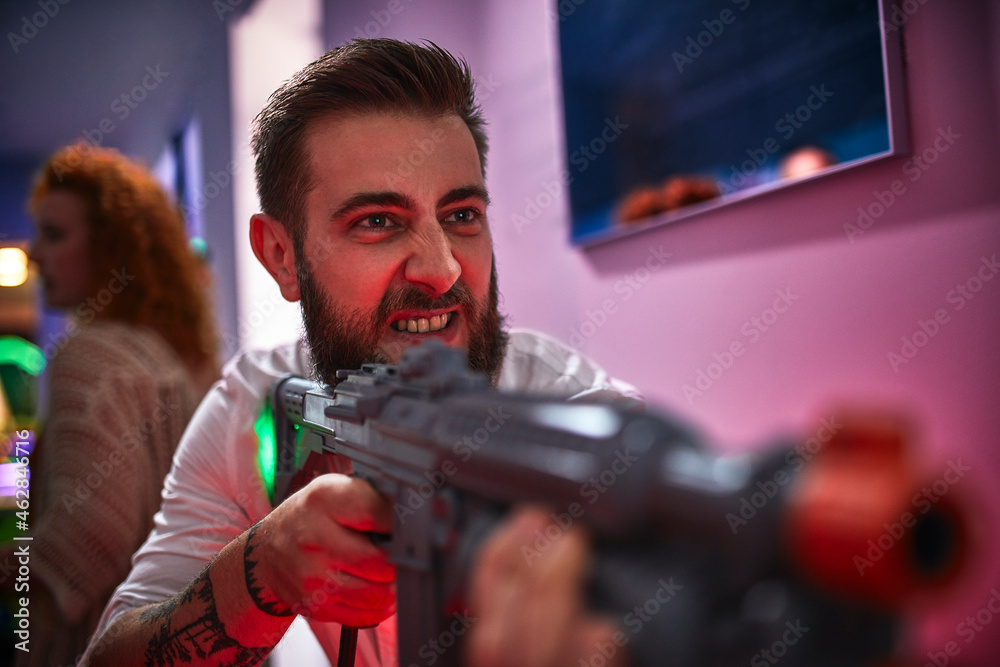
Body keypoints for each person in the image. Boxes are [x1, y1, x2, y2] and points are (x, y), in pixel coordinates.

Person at [81, 38, 640, 666]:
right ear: (281, 257)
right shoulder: (255, 405)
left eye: (460, 215)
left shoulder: (575, 411)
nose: (440, 267)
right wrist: (261, 572)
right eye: (378, 220)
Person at [17, 144, 220, 666]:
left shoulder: (90, 356)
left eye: (55, 234)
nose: (34, 254)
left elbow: (85, 546)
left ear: (114, 248)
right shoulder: (182, 357)